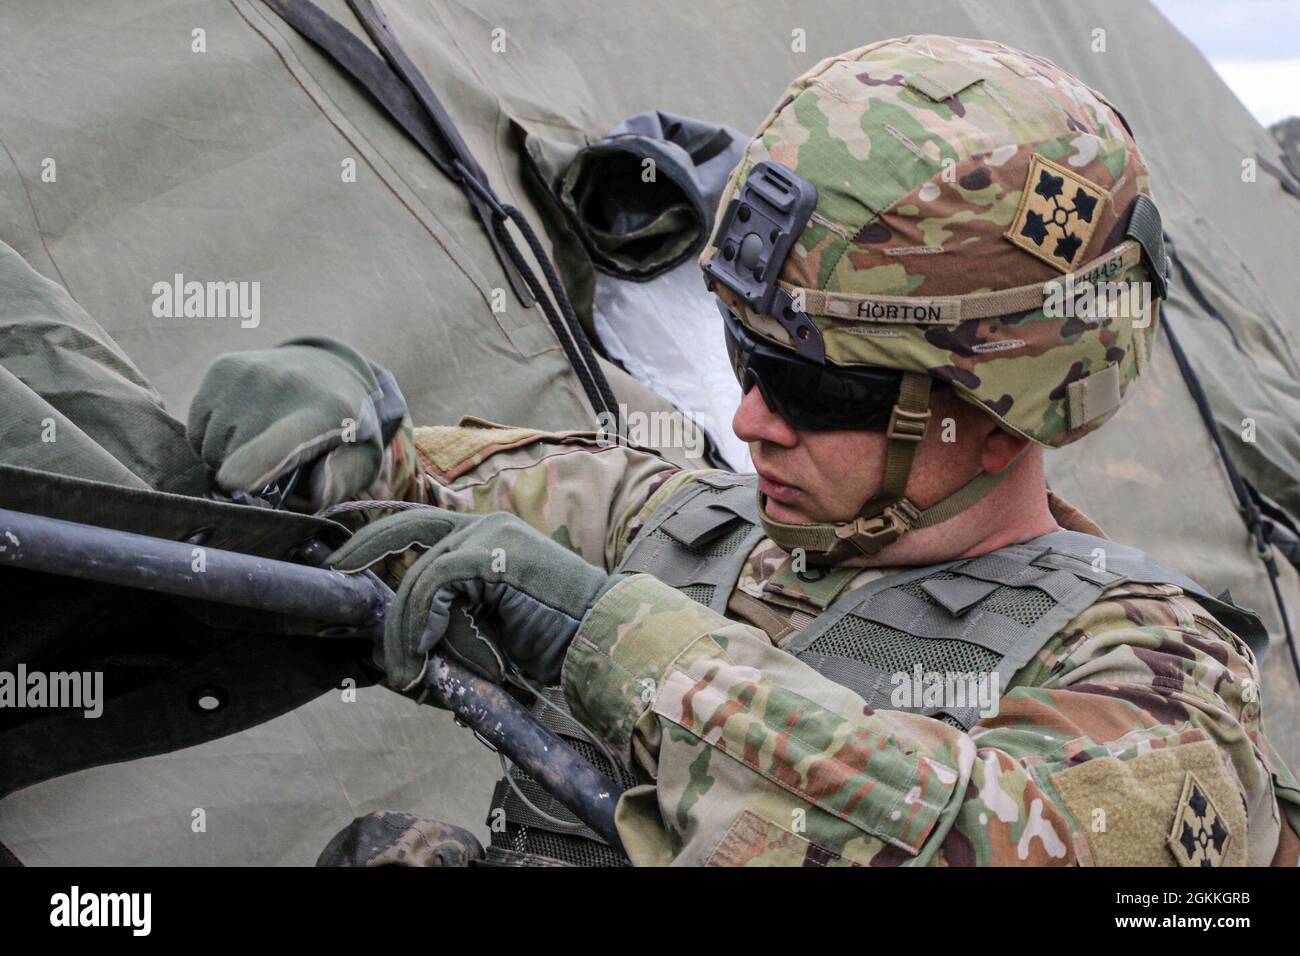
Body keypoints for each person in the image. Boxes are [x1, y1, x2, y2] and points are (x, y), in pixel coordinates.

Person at [189, 35, 1300, 866]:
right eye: (743, 353)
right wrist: (339, 421)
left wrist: (622, 646)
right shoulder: (688, 528)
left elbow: (995, 836)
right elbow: (405, 488)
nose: (754, 415)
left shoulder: (1157, 675)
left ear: (996, 397)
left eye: (816, 385)